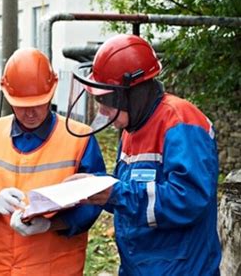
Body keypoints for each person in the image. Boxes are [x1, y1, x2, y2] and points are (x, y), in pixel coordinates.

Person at [67, 34, 221, 275]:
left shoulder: (181, 122)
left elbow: (189, 200)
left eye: (106, 99)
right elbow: (132, 197)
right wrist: (96, 190)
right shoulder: (133, 127)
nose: (102, 110)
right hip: (138, 266)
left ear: (133, 92)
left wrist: (115, 192)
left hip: (180, 269)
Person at [0, 47, 106, 275]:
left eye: (38, 103)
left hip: (54, 268)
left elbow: (94, 202)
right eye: (21, 105)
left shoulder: (80, 139)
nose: (30, 113)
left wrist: (51, 224)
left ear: (52, 90)